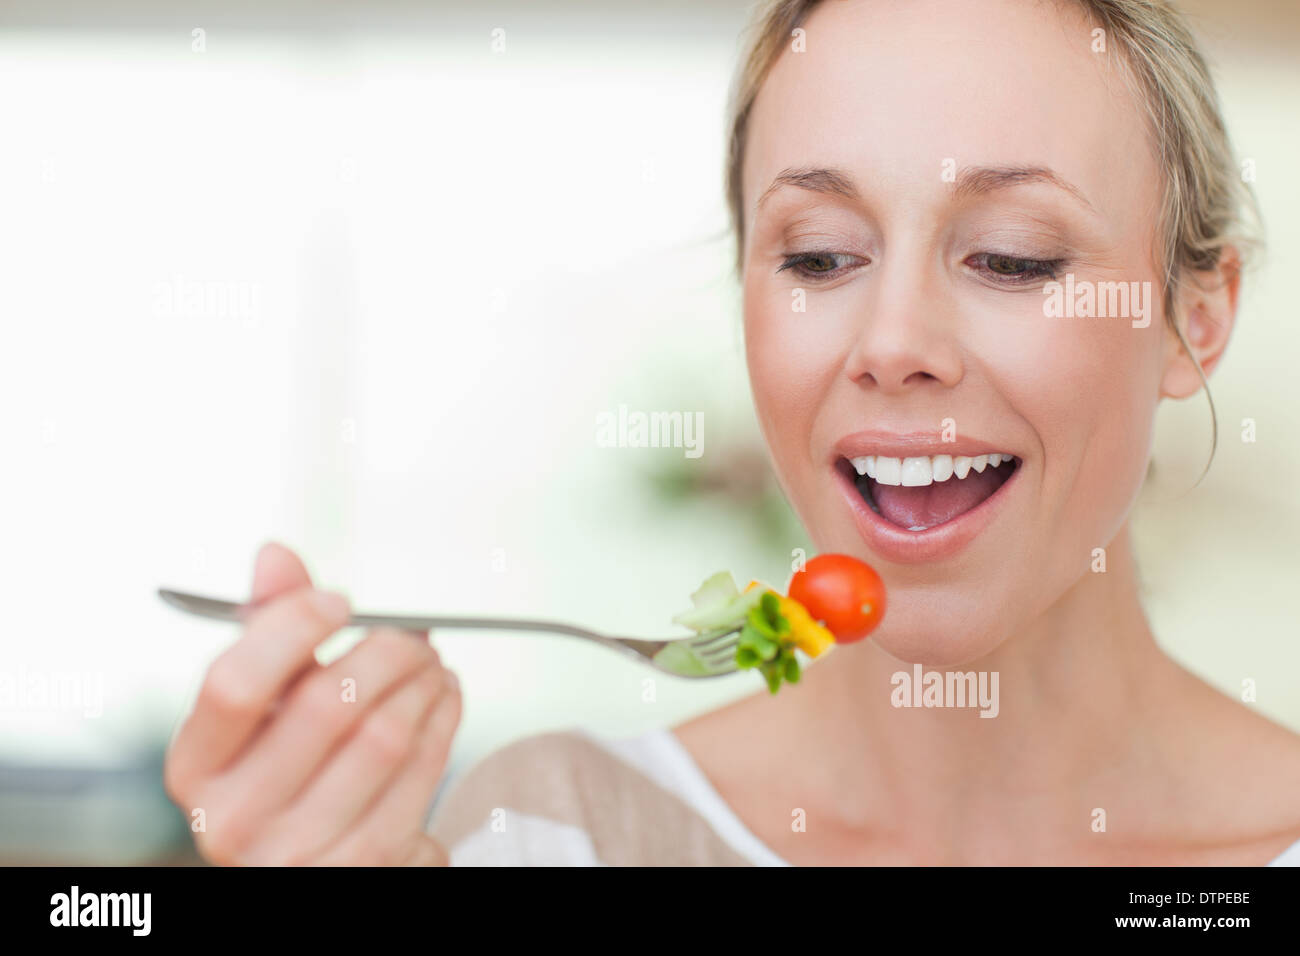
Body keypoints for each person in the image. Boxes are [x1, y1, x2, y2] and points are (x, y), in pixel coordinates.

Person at [163, 0, 1300, 866]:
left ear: (1193, 320)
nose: (892, 339)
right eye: (818, 256)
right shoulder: (555, 831)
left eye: (1011, 255)